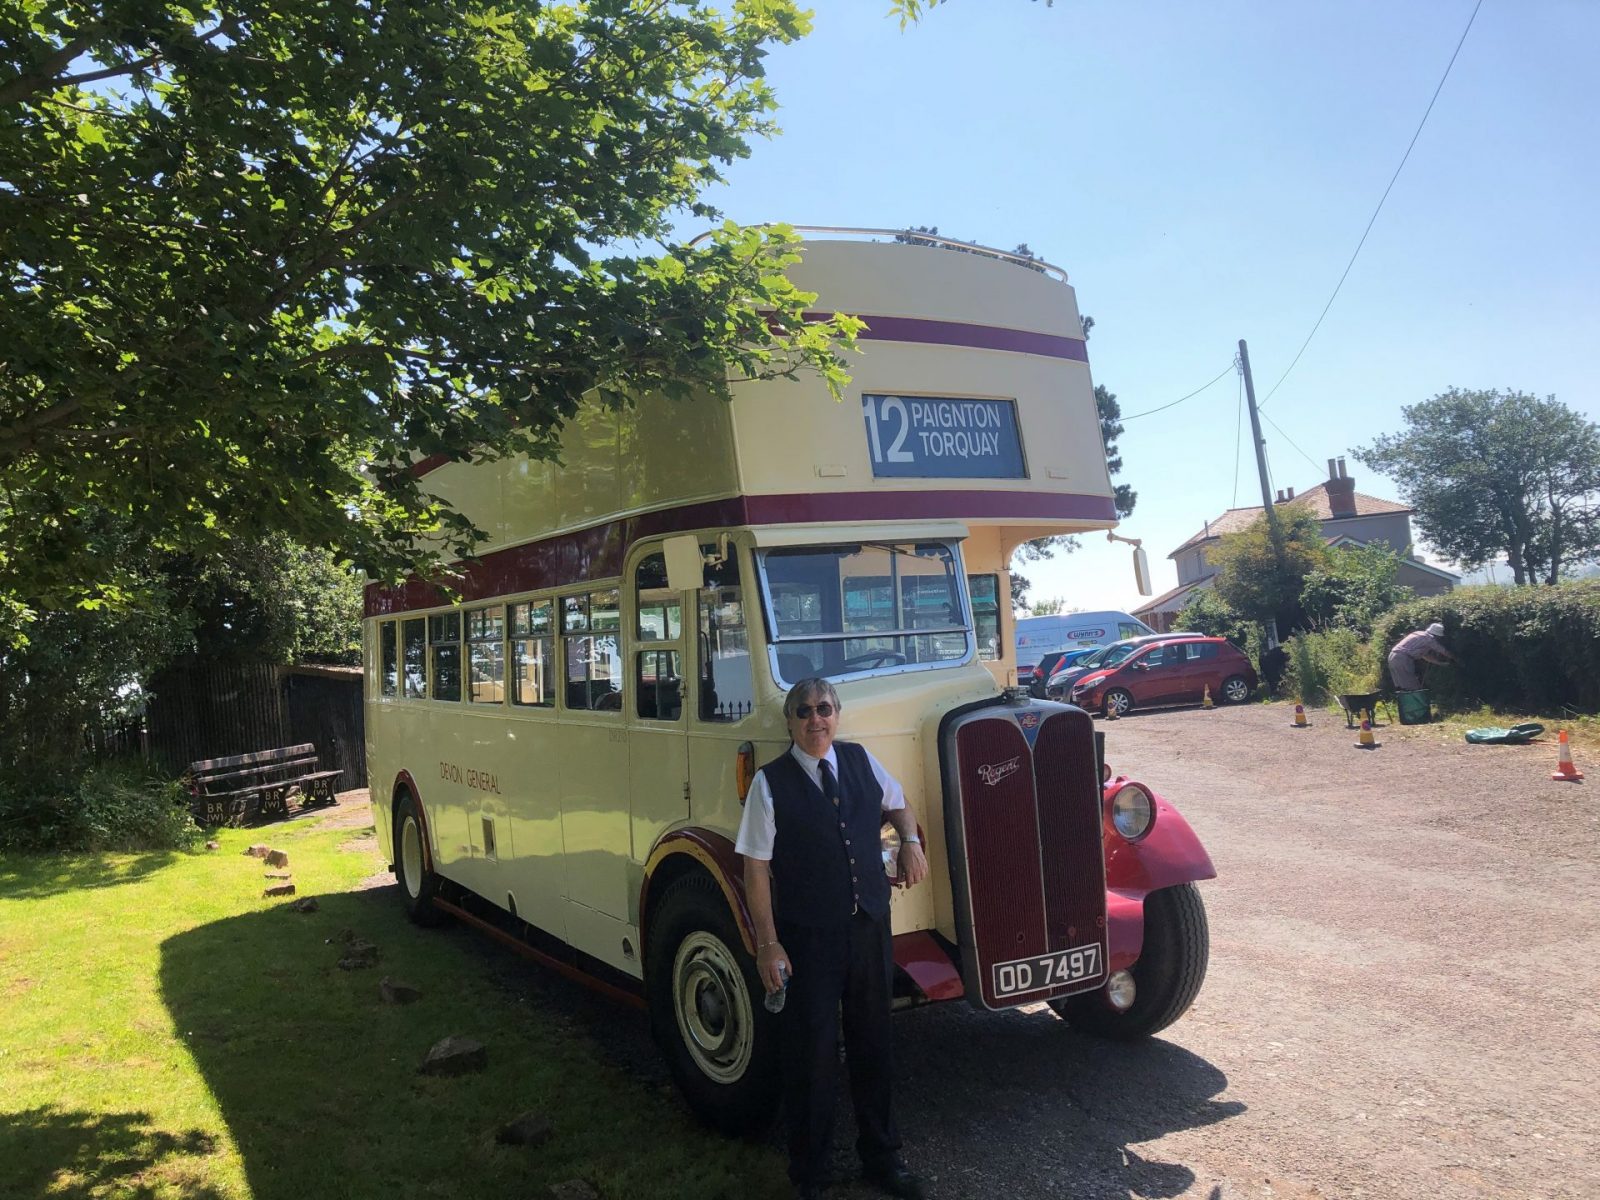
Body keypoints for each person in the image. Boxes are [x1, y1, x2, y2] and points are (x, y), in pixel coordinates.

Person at [736, 677, 929, 1200]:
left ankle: (883, 1158)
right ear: (790, 722)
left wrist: (909, 841)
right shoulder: (769, 783)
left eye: (824, 709)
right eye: (804, 711)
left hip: (868, 927)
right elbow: (755, 868)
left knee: (874, 1045)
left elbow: (899, 803)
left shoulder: (861, 760)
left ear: (837, 714)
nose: (815, 720)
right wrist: (768, 943)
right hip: (809, 939)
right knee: (812, 1056)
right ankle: (811, 1174)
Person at [1387, 621, 1454, 691]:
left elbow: (1425, 655)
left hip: (1393, 656)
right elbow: (1443, 651)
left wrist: (1440, 663)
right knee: (1411, 685)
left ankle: (1406, 701)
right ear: (1436, 635)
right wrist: (1454, 658)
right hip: (1403, 659)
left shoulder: (1418, 634)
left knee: (1401, 685)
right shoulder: (1429, 638)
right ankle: (1417, 701)